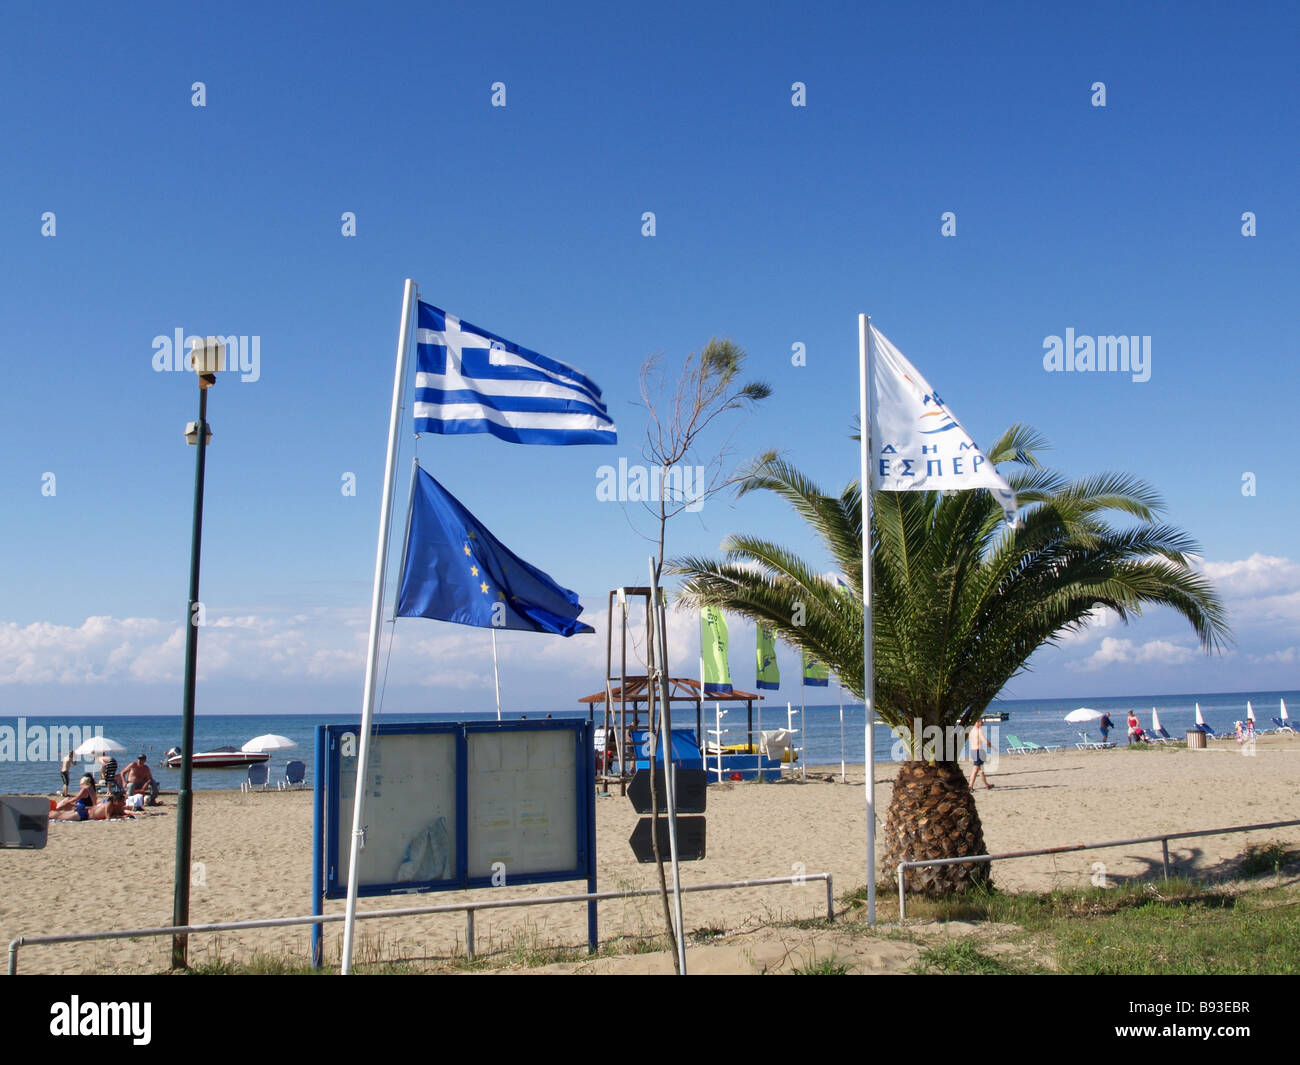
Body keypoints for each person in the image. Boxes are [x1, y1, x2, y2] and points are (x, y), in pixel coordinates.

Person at [968, 719, 994, 789]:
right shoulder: (979, 730)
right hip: (978, 751)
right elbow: (985, 741)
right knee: (976, 769)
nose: (983, 723)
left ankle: (986, 785)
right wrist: (992, 747)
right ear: (977, 722)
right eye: (981, 721)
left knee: (981, 770)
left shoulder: (970, 730)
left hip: (973, 751)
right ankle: (970, 786)